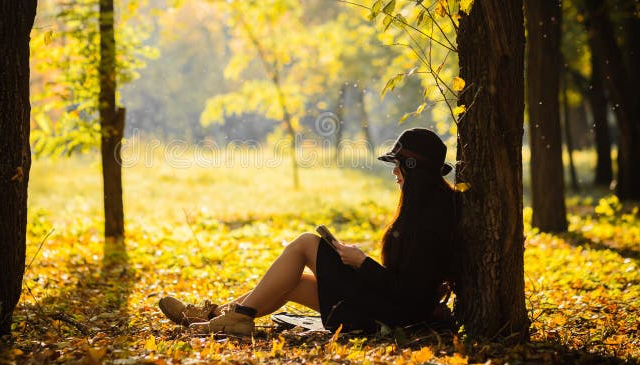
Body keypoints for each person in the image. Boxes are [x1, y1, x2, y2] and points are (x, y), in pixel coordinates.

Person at [158, 127, 459, 336]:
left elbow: (410, 295)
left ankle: (234, 318)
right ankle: (218, 317)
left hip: (390, 319)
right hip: (384, 308)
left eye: (398, 165)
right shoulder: (423, 210)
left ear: (413, 168)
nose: (394, 172)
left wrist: (361, 263)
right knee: (293, 281)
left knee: (306, 244)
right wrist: (356, 261)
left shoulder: (429, 222)